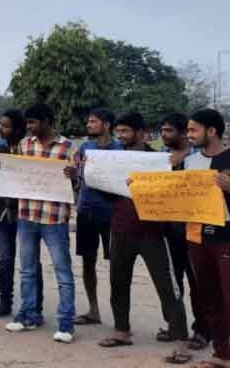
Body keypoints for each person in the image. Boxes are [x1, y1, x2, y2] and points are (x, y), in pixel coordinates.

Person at [94, 112, 190, 363]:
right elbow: (108, 194)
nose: (121, 136)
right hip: (121, 228)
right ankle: (121, 330)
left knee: (167, 287)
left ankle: (180, 340)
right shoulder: (114, 157)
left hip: (154, 232)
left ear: (141, 133)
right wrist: (94, 177)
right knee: (118, 281)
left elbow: (178, 187)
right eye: (119, 132)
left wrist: (179, 161)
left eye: (126, 131)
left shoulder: (160, 159)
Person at [3, 104, 76, 344]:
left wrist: (74, 177)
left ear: (46, 121)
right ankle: (29, 315)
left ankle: (66, 323)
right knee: (27, 270)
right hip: (28, 215)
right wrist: (2, 169)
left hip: (55, 218)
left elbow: (78, 184)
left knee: (62, 271)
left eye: (33, 123)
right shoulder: (25, 145)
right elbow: (15, 176)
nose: (29, 127)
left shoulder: (67, 148)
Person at [0, 109, 43, 319]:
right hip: (0, 210)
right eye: (0, 125)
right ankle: (5, 302)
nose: (1, 129)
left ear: (18, 129)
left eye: (6, 126)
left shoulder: (30, 149)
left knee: (31, 260)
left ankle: (35, 306)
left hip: (25, 210)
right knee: (5, 258)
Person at [160, 112, 210, 350]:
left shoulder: (197, 158)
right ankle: (175, 326)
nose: (163, 134)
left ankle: (202, 330)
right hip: (168, 227)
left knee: (197, 282)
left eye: (169, 130)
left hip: (192, 228)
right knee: (173, 281)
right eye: (162, 130)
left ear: (182, 133)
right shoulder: (160, 157)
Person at [68, 108, 122, 327]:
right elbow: (78, 178)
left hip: (112, 214)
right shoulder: (85, 148)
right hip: (86, 211)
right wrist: (73, 177)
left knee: (117, 265)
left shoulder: (121, 149)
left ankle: (120, 315)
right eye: (88, 121)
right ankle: (94, 310)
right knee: (87, 262)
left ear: (106, 124)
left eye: (93, 121)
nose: (88, 125)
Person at [185, 109, 229, 367]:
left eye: (194, 130)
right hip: (197, 235)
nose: (189, 135)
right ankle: (222, 353)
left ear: (212, 131)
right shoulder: (190, 163)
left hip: (226, 236)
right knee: (209, 297)